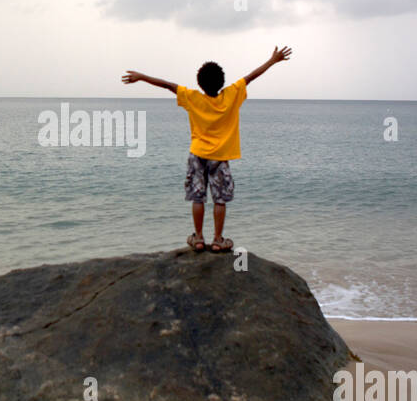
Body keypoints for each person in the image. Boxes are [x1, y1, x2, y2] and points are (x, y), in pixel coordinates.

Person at [121, 46, 292, 252]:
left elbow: (167, 85)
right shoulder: (231, 95)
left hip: (198, 154)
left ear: (199, 83)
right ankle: (218, 240)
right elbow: (251, 76)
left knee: (197, 196)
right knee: (220, 199)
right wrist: (272, 60)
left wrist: (141, 77)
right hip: (220, 157)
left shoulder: (193, 98)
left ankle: (199, 238)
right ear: (222, 81)